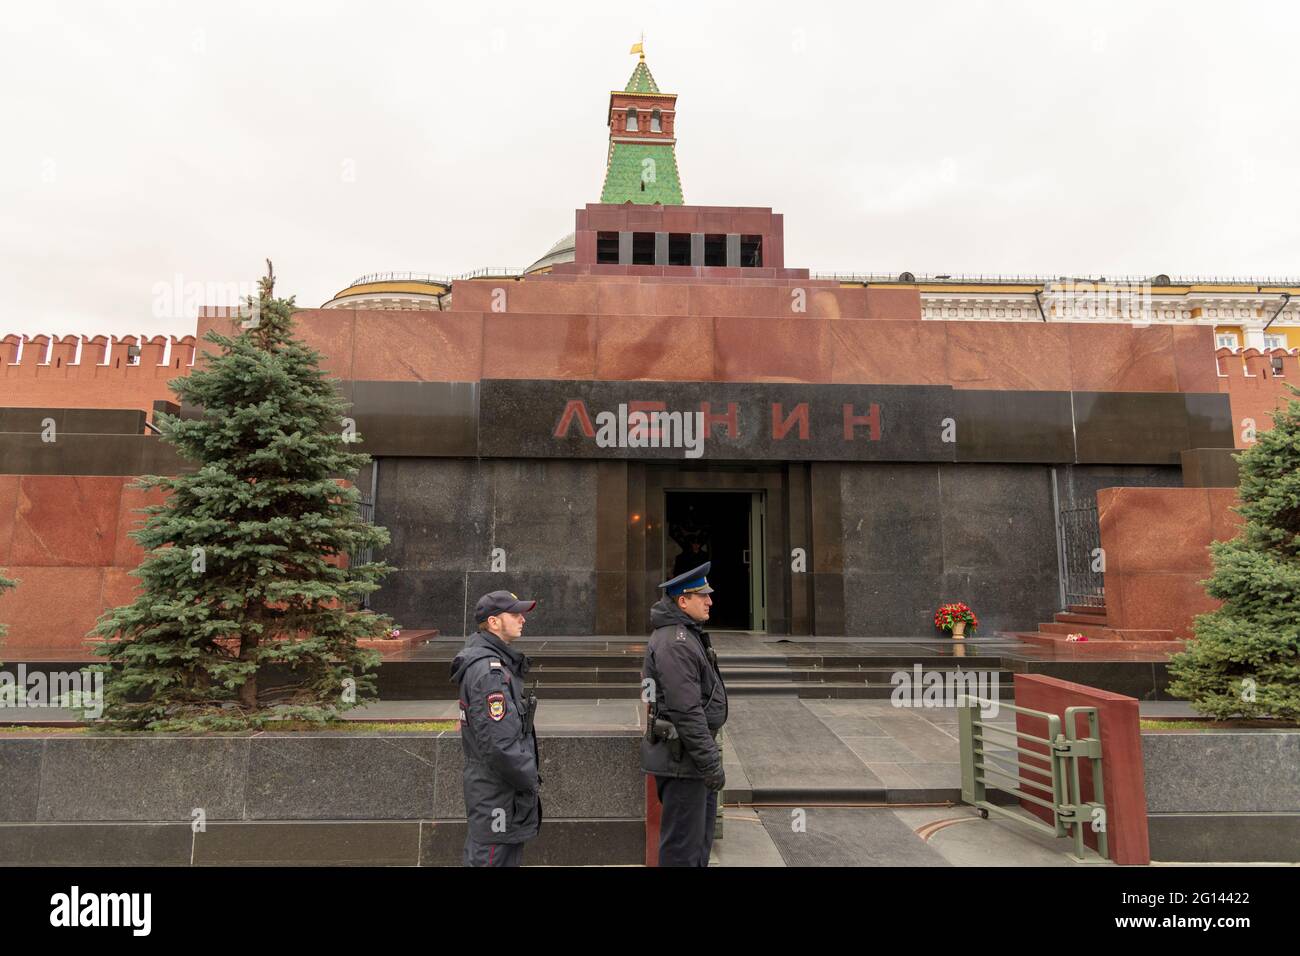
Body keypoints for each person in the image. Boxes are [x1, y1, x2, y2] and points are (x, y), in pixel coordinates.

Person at [641, 562, 729, 867]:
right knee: (683, 852)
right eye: (702, 596)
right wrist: (710, 762)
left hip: (690, 760)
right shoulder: (675, 644)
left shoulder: (685, 635)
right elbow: (686, 710)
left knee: (697, 848)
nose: (710, 601)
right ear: (682, 600)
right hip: (682, 761)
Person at [449, 590, 541, 867]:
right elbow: (499, 745)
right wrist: (529, 778)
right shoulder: (489, 673)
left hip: (500, 794)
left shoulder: (497, 664)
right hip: (497, 796)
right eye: (514, 615)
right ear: (493, 622)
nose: (522, 619)